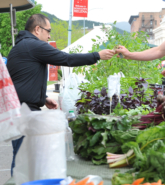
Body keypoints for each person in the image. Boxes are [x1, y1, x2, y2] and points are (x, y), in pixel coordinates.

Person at [7, 14, 115, 175]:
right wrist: (96, 56)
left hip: (18, 110)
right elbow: (65, 58)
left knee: (22, 156)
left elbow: (19, 81)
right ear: (37, 29)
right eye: (48, 30)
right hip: (24, 112)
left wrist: (42, 98)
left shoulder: (19, 47)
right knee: (24, 157)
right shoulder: (33, 45)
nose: (49, 35)